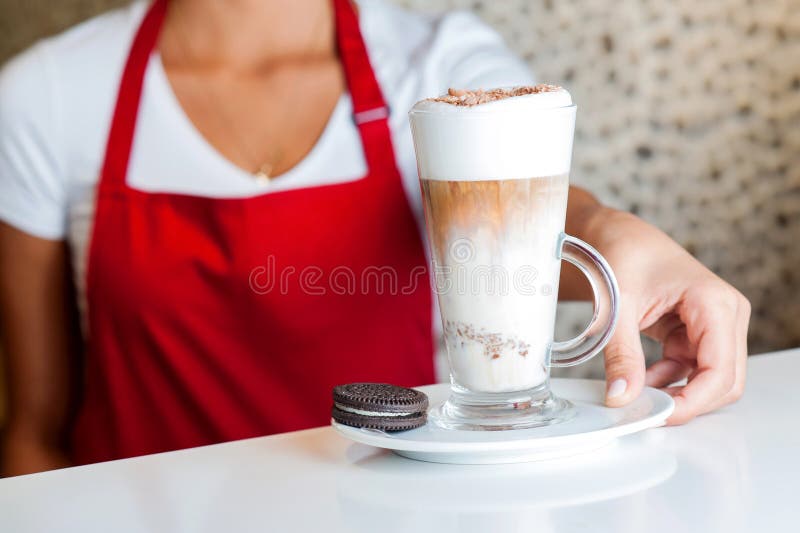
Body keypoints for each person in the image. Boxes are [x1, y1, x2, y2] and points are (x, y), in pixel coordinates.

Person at [0, 0, 749, 476]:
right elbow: (35, 431)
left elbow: (525, 210)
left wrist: (607, 230)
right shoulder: (47, 97)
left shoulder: (437, 61)